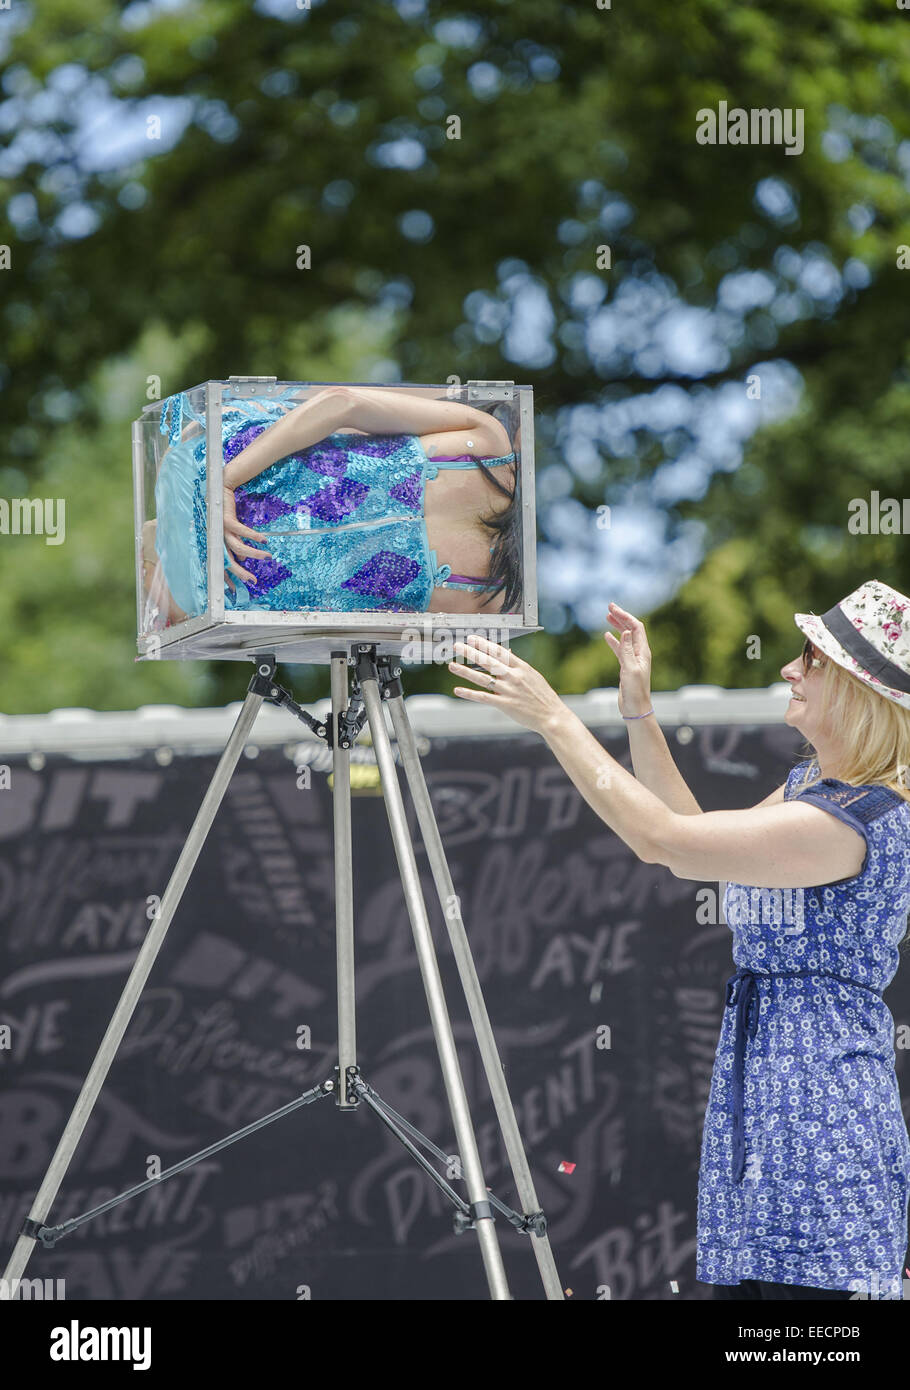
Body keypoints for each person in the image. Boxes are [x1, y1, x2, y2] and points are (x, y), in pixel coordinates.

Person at [446, 578, 910, 1300]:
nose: (789, 669)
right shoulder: (814, 789)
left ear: (858, 691)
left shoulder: (858, 817)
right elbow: (690, 838)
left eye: (811, 660)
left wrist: (555, 719)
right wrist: (638, 713)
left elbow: (667, 843)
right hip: (769, 1110)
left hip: (821, 1122)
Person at [140, 385, 522, 628]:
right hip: (213, 585)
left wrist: (226, 481)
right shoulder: (492, 600)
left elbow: (342, 404)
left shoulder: (488, 442)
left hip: (209, 474)